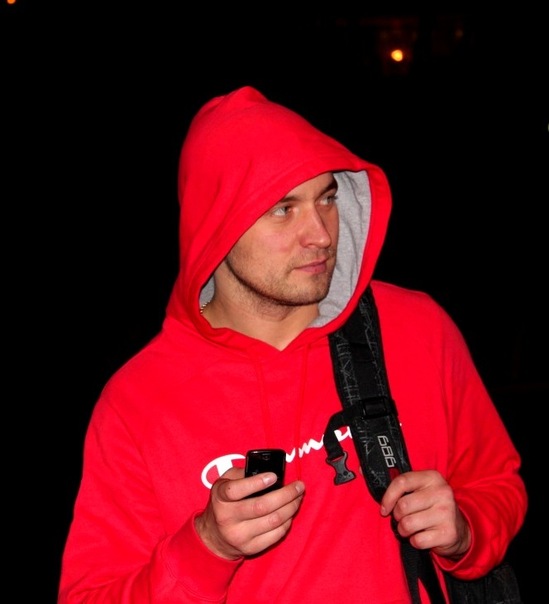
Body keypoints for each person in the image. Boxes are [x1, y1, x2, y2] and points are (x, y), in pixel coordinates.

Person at [58, 85, 527, 603]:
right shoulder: (137, 402)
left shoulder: (416, 327)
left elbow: (496, 483)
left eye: (327, 198)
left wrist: (465, 530)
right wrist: (207, 546)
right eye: (283, 209)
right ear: (215, 224)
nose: (321, 235)